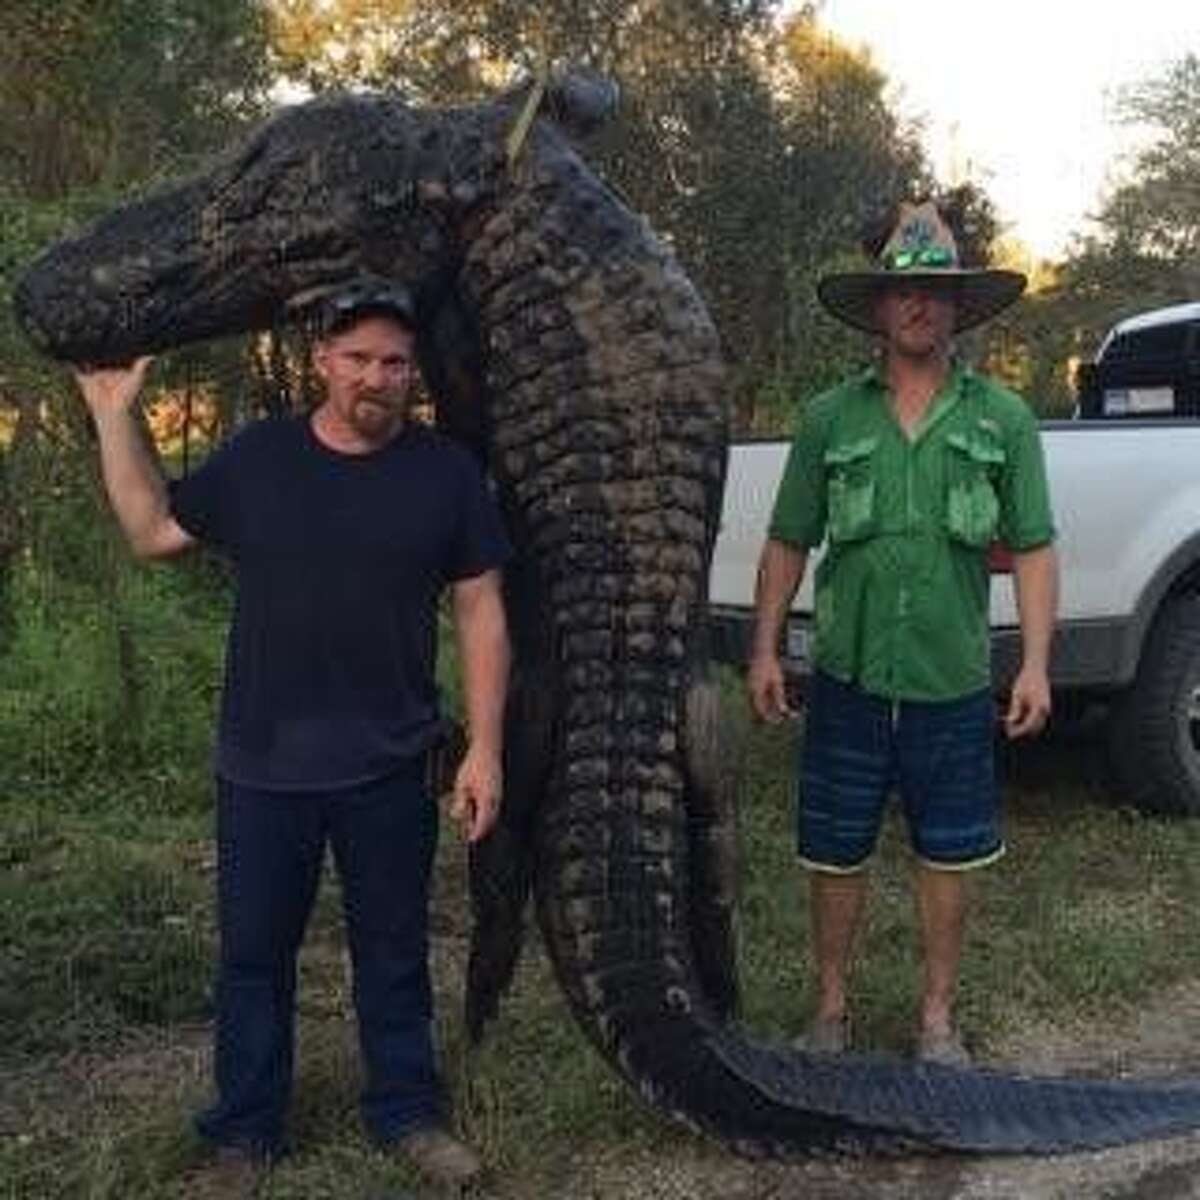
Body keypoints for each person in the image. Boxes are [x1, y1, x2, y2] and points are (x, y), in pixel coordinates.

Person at [72, 276, 511, 1190]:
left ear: (411, 370)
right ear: (322, 361)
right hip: (263, 766)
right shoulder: (260, 460)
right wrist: (117, 413)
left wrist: (486, 747)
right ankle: (245, 1133)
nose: (377, 378)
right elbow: (152, 530)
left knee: (393, 954)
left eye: (394, 362)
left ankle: (407, 1114)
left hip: (392, 764)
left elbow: (480, 609)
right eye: (357, 358)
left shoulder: (445, 475)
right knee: (252, 961)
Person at [748, 200, 1058, 1067]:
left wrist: (1035, 665)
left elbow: (1033, 548)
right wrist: (766, 647)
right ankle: (832, 1013)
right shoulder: (827, 421)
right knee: (835, 855)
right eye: (903, 291)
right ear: (880, 307)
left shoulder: (1005, 421)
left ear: (958, 306)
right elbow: (787, 541)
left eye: (936, 291)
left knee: (947, 855)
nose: (919, 305)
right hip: (846, 677)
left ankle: (935, 1020)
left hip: (952, 682)